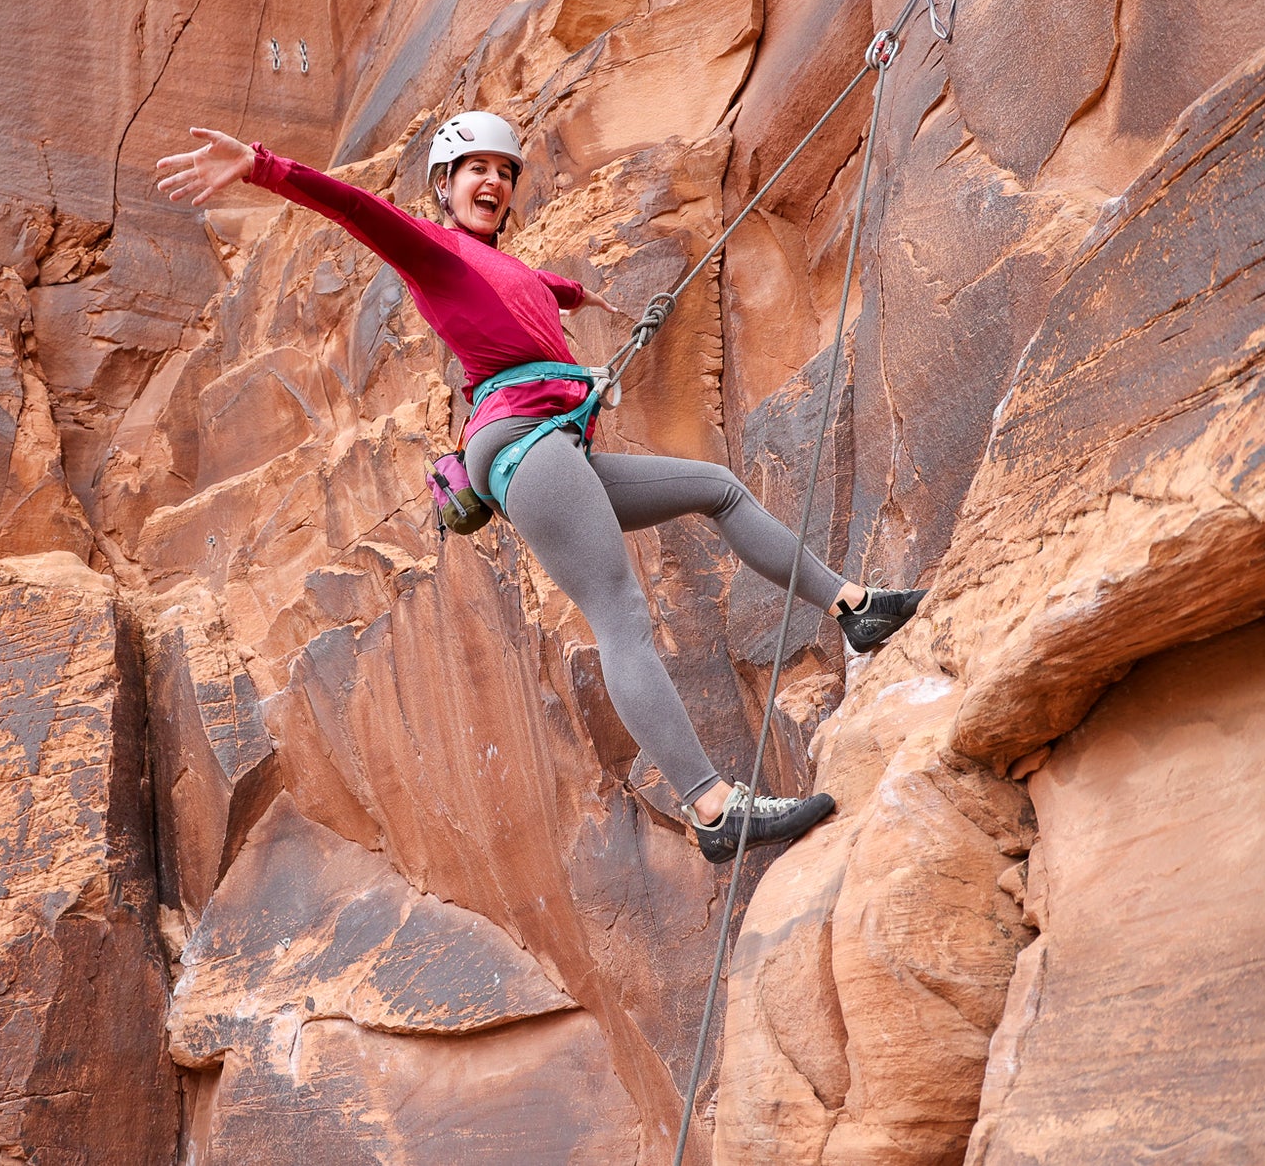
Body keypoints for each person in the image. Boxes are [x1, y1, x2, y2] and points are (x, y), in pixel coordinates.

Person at [155, 112, 925, 862]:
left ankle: (853, 608)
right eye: (475, 170)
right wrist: (263, 167)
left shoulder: (508, 266)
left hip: (557, 449)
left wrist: (570, 294)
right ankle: (714, 807)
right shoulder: (436, 253)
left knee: (717, 487)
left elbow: (525, 287)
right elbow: (360, 211)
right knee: (619, 610)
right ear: (444, 190)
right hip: (526, 448)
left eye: (503, 171)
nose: (492, 181)